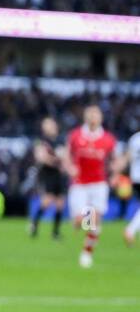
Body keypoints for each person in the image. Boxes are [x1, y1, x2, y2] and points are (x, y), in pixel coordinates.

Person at [64, 105, 117, 269]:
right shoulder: (75, 135)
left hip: (98, 183)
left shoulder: (108, 139)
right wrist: (69, 168)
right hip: (79, 184)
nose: (94, 116)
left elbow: (113, 160)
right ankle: (81, 226)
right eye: (91, 113)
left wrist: (115, 175)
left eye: (97, 114)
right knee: (81, 221)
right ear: (85, 116)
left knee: (94, 219)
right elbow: (66, 156)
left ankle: (86, 253)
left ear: (101, 117)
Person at [28, 117, 66, 240]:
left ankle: (55, 232)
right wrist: (56, 161)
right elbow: (41, 157)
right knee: (47, 201)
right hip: (47, 174)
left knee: (60, 203)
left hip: (59, 175)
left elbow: (66, 155)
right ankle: (34, 224)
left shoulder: (61, 140)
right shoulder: (40, 141)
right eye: (47, 125)